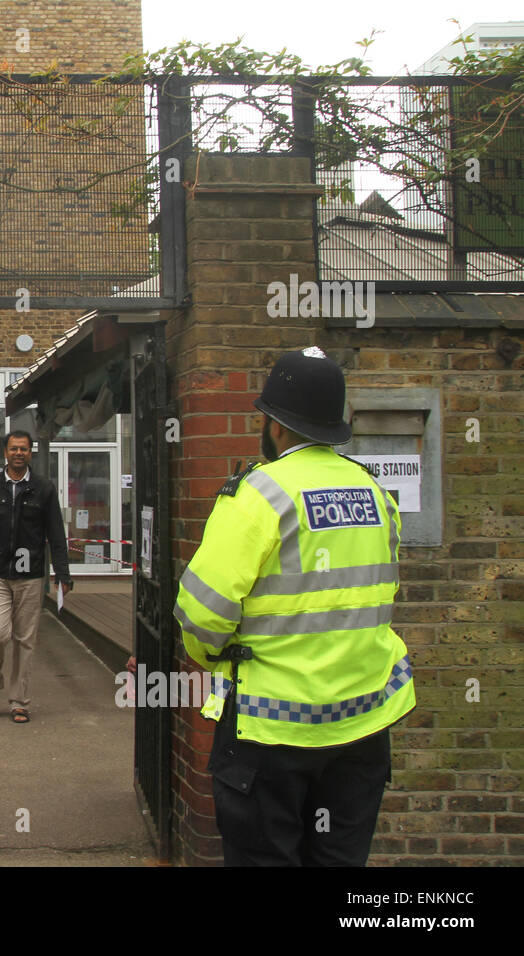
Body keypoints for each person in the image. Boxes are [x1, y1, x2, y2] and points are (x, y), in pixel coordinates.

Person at [173, 346, 415, 866]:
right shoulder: (375, 492)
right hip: (362, 722)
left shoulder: (258, 495)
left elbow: (202, 612)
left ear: (275, 426)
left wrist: (217, 660)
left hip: (271, 728)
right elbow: (379, 594)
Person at [0, 430, 73, 723]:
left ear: (30, 453)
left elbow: (56, 534)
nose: (19, 453)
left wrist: (62, 573)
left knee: (25, 639)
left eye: (24, 449)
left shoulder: (43, 488)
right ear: (5, 453)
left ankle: (19, 699)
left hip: (30, 575)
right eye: (14, 449)